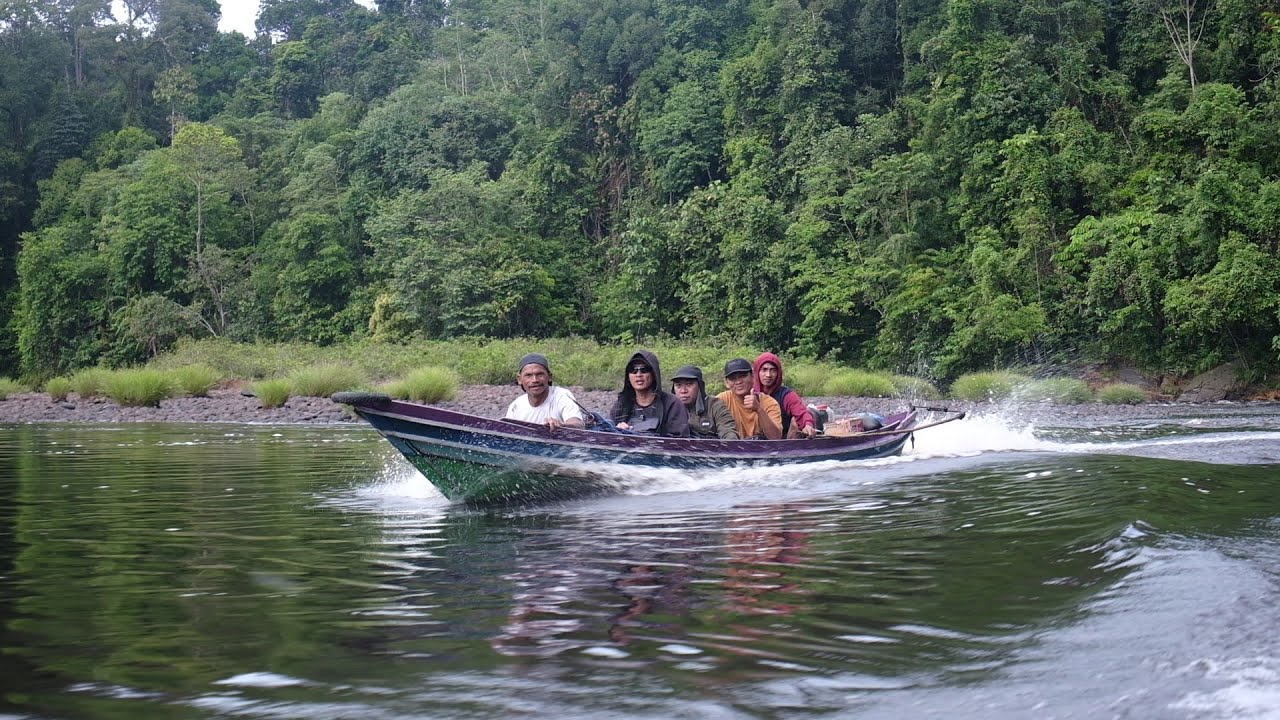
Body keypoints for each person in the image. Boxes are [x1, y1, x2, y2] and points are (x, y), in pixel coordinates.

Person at [609, 350, 690, 436]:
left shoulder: (672, 404)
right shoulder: (621, 404)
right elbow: (606, 437)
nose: (638, 374)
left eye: (644, 370)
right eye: (633, 370)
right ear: (628, 376)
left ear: (654, 374)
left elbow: (679, 441)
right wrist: (617, 431)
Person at [504, 353, 587, 431]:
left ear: (549, 377)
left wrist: (561, 425)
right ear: (519, 380)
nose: (534, 380)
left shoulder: (562, 396)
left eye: (540, 374)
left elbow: (578, 425)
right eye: (528, 375)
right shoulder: (516, 406)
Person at [753, 352, 818, 439]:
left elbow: (802, 413)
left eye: (773, 370)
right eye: (764, 370)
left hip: (783, 440)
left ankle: (793, 451)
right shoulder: (750, 393)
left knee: (795, 421)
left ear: (778, 373)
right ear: (757, 372)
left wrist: (808, 425)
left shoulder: (786, 395)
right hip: (756, 438)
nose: (768, 375)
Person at [716, 358, 783, 440]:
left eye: (743, 376)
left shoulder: (769, 403)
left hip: (761, 451)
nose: (738, 382)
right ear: (726, 383)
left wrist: (759, 409)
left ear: (753, 377)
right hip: (732, 450)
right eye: (733, 378)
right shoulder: (721, 400)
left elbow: (776, 438)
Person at [670, 365, 738, 439]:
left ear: (700, 386)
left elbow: (728, 431)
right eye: (678, 385)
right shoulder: (668, 408)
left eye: (689, 384)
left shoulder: (715, 405)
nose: (683, 391)